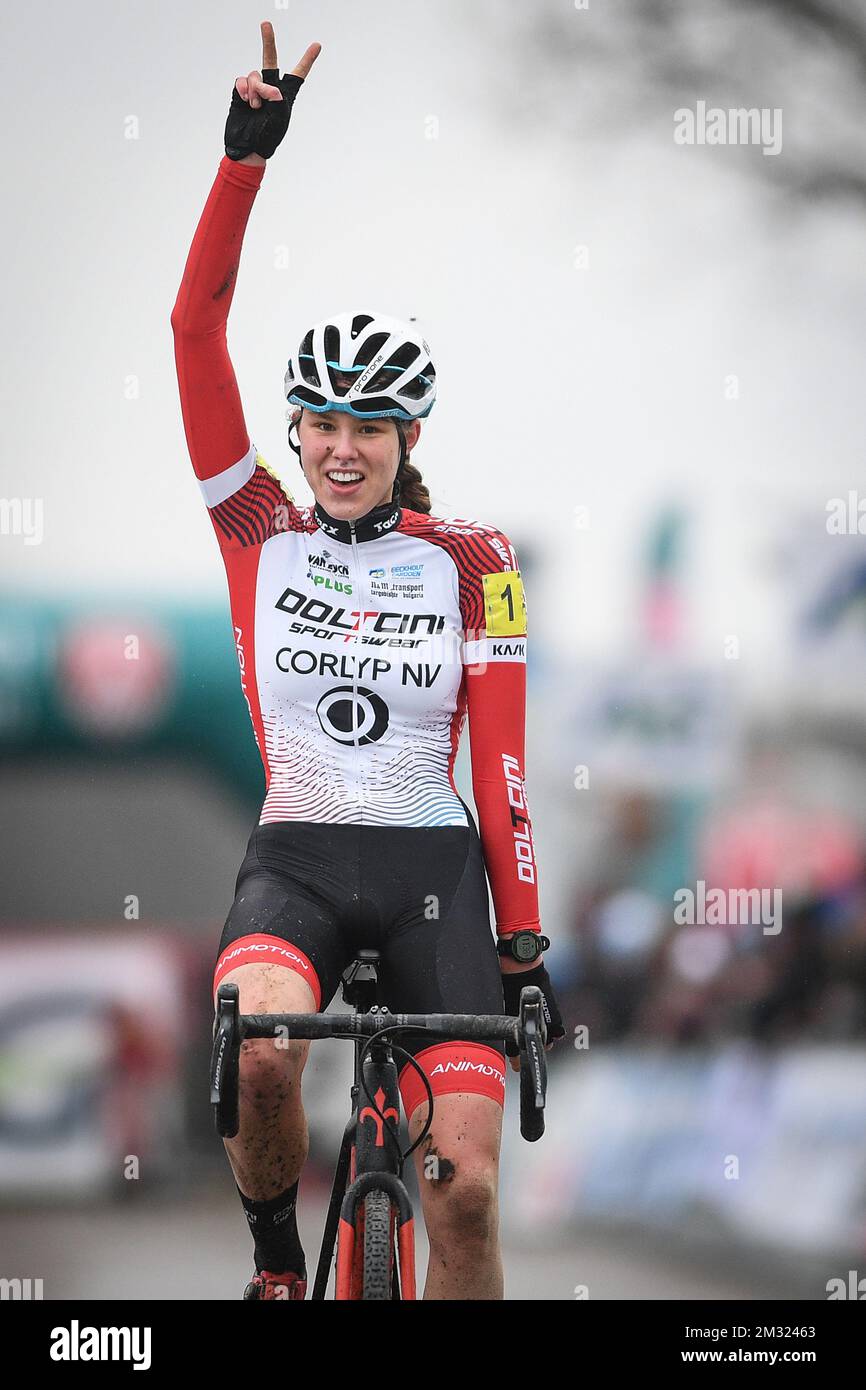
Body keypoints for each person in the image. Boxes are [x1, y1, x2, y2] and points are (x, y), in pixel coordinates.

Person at [171, 20, 564, 1301]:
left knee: (468, 1199)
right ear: (295, 428)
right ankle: (280, 1263)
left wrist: (523, 939)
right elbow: (193, 325)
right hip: (296, 852)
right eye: (323, 423)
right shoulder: (255, 527)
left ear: (407, 435)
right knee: (268, 1056)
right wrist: (245, 157)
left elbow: (498, 752)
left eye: (371, 428)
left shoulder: (473, 555)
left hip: (434, 873)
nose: (344, 449)